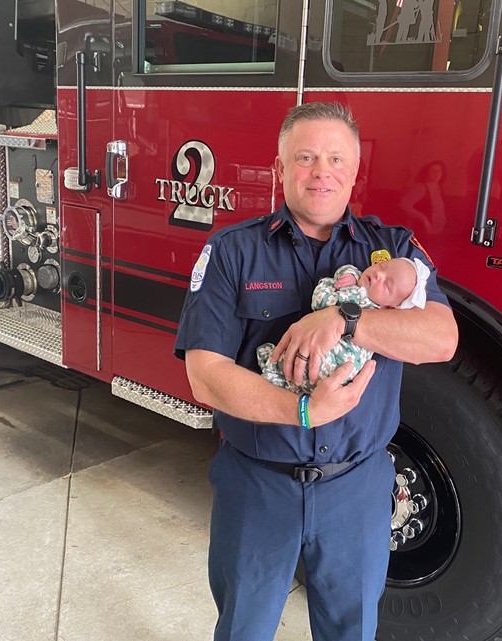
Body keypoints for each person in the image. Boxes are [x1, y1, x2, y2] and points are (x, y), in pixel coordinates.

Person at [173, 101, 459, 641]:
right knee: (243, 631)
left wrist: (344, 319)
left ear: (354, 171)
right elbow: (204, 374)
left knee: (351, 632)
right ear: (280, 168)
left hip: (357, 490)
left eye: (335, 158)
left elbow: (442, 339)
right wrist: (299, 409)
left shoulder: (393, 251)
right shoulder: (232, 251)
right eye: (304, 157)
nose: (321, 171)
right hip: (258, 487)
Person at [257, 256, 431, 394]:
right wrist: (350, 276)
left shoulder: (359, 298)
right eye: (383, 266)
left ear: (392, 307)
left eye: (387, 285)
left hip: (326, 370)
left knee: (290, 365)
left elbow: (320, 301)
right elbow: (350, 271)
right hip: (329, 380)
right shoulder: (363, 288)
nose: (379, 275)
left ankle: (275, 369)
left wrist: (331, 286)